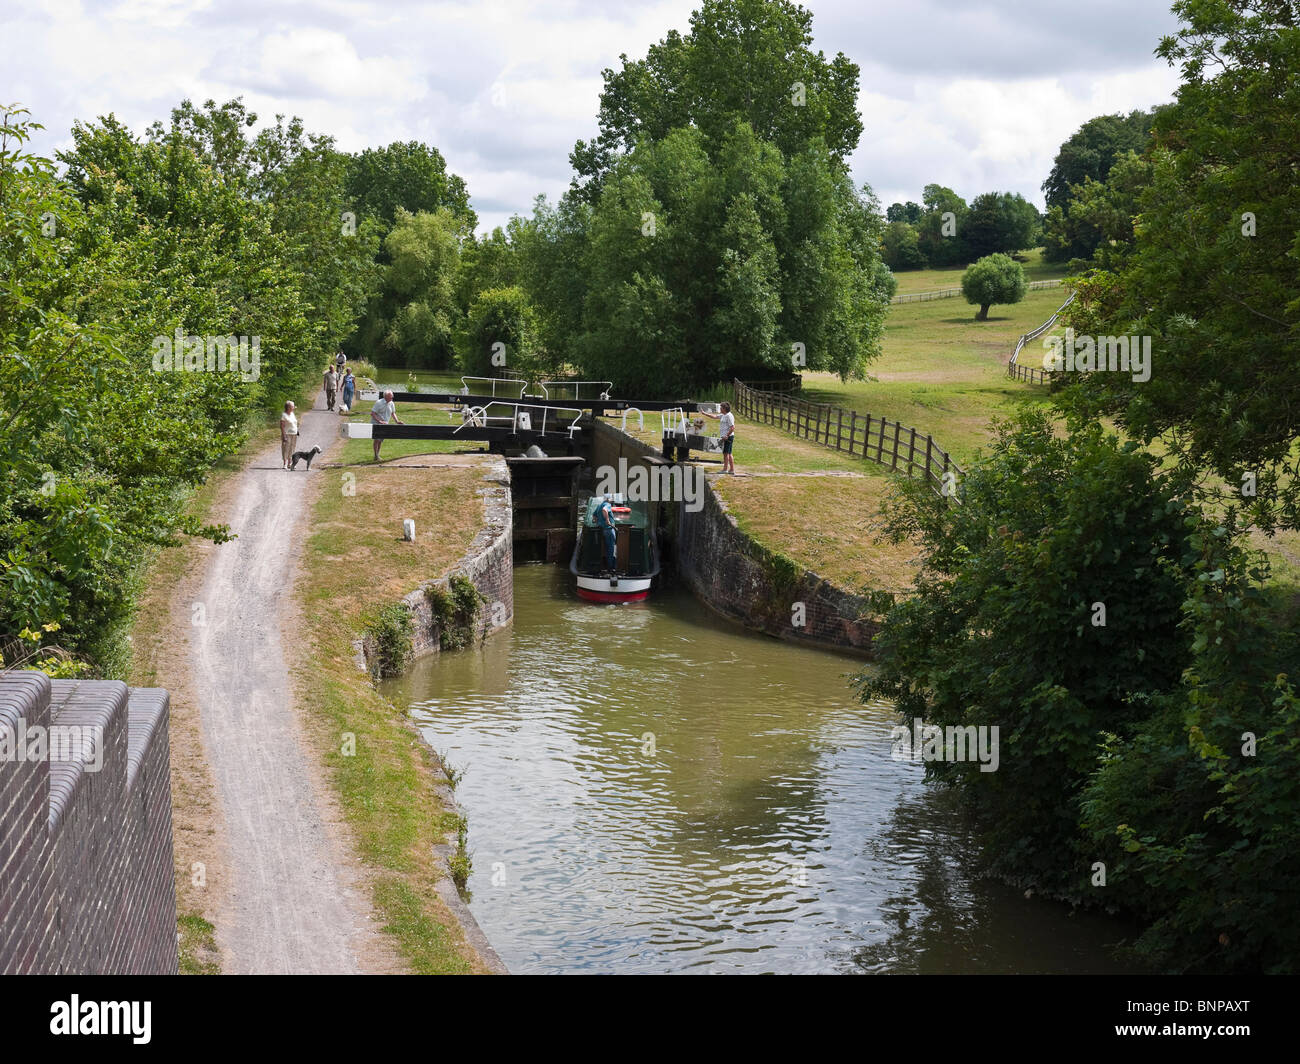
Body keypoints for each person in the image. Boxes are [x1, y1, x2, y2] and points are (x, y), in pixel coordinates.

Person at [698, 401, 736, 474]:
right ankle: (731, 470)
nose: (720, 409)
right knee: (729, 453)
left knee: (726, 454)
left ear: (724, 408)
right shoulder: (723, 415)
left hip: (728, 437)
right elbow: (715, 416)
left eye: (721, 407)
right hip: (727, 437)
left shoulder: (729, 415)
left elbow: (732, 427)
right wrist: (704, 413)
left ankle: (725, 469)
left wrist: (726, 436)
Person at [370, 389, 403, 461]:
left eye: (392, 397)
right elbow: (373, 413)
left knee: (380, 440)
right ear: (385, 397)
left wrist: (397, 421)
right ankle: (376, 455)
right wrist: (379, 421)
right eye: (391, 397)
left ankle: (377, 455)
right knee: (377, 440)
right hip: (377, 424)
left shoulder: (391, 403)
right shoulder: (379, 403)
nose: (392, 398)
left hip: (385, 424)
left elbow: (393, 413)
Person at [594, 494, 618, 575]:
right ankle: (611, 568)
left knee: (604, 548)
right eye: (611, 498)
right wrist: (607, 521)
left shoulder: (599, 505)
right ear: (608, 499)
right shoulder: (607, 505)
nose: (612, 499)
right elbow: (605, 510)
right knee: (611, 549)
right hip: (608, 530)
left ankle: (602, 565)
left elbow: (594, 515)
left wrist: (597, 521)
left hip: (602, 530)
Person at [280, 400, 298, 470]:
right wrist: (284, 435)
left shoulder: (292, 413)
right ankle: (284, 463)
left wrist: (297, 430)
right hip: (287, 434)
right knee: (285, 448)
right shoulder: (284, 415)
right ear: (288, 407)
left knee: (292, 449)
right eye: (293, 406)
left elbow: (294, 423)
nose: (294, 407)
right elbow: (282, 426)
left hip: (294, 434)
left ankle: (290, 463)